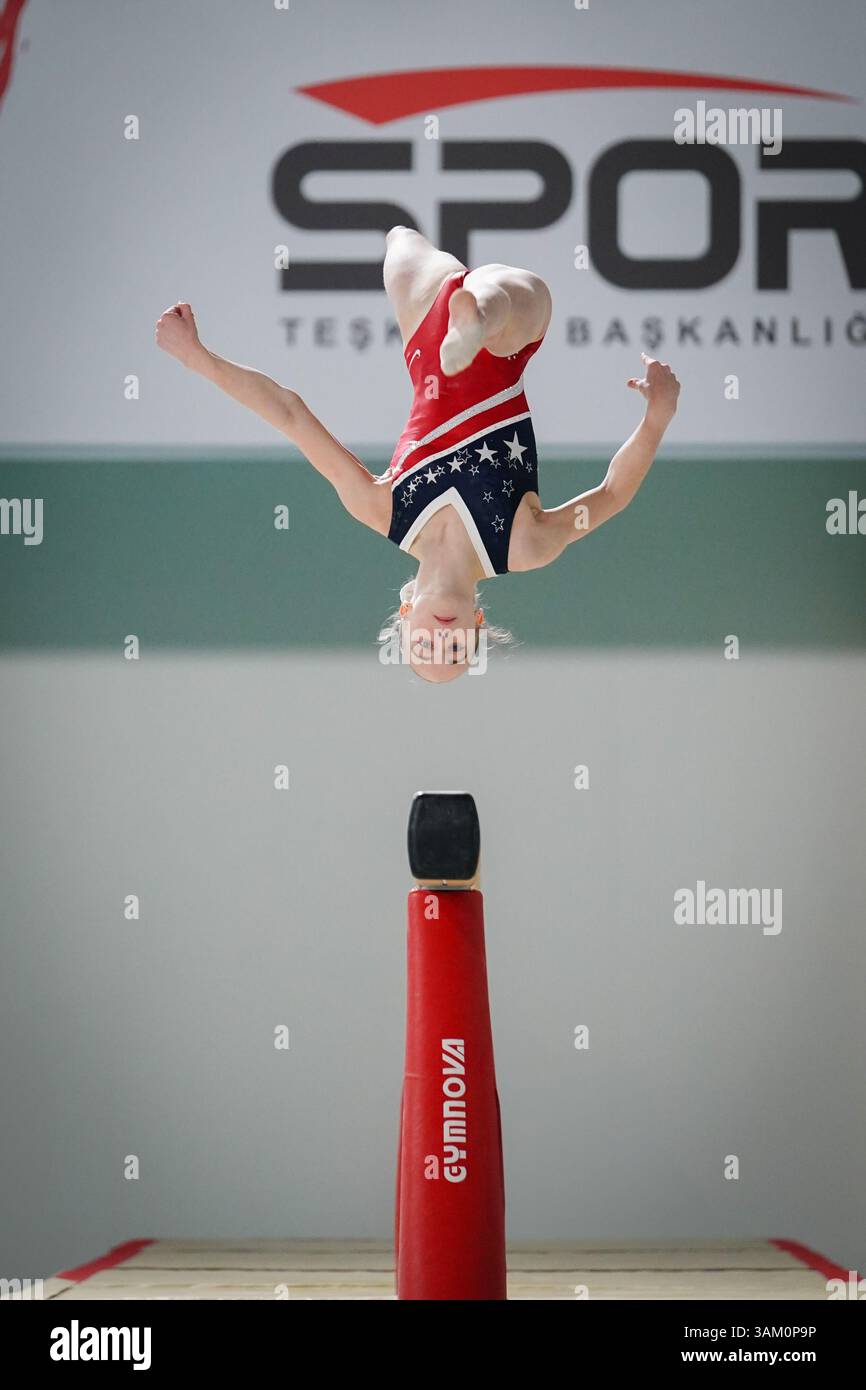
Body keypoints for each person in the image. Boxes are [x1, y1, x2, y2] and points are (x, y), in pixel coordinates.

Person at [155, 226, 680, 682]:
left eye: (424, 648)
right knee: (500, 298)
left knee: (399, 238)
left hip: (426, 329)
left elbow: (291, 415)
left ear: (404, 614)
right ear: (478, 625)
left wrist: (199, 360)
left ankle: (466, 321)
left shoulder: (382, 509)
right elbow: (611, 496)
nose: (442, 642)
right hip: (509, 344)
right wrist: (657, 417)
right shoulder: (524, 546)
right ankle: (474, 321)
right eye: (457, 653)